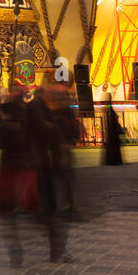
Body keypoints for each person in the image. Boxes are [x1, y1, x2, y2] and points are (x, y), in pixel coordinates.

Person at [36, 82, 78, 263]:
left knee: (60, 210)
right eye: (57, 97)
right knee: (54, 209)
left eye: (63, 97)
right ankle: (56, 249)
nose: (61, 100)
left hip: (61, 169)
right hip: (48, 168)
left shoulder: (64, 115)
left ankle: (58, 249)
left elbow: (73, 136)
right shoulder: (46, 114)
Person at [0, 84, 35, 267]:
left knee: (15, 208)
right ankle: (15, 248)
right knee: (8, 210)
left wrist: (3, 120)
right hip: (11, 163)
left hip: (18, 163)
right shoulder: (10, 109)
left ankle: (18, 246)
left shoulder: (22, 112)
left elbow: (19, 129)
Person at [102, 98, 124, 165]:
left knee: (113, 149)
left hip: (112, 135)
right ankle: (115, 161)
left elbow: (113, 121)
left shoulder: (109, 111)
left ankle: (112, 161)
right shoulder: (111, 111)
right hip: (114, 135)